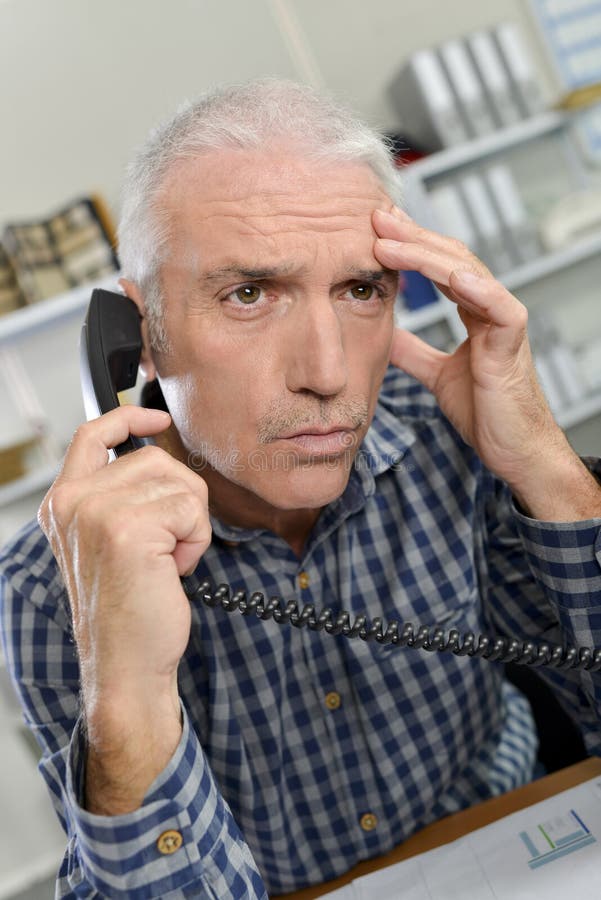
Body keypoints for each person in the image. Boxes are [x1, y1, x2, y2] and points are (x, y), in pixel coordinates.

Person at [1, 79, 601, 900]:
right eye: (248, 294)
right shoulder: (53, 578)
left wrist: (546, 469)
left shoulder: (450, 439)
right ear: (138, 333)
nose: (327, 372)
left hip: (510, 837)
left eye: (361, 290)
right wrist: (127, 691)